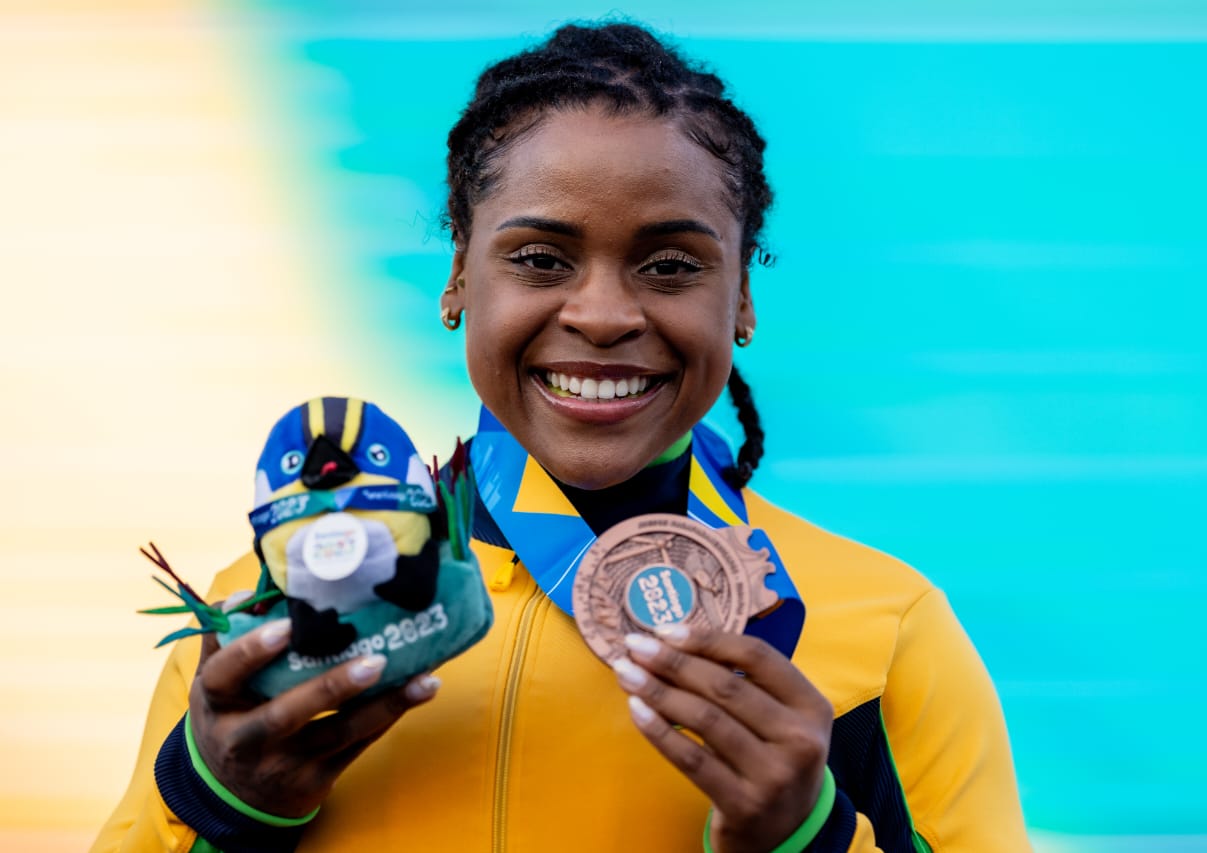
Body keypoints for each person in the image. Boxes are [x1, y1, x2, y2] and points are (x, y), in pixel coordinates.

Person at [93, 22, 1032, 853]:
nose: (604, 313)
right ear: (460, 274)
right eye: (540, 258)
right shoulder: (277, 623)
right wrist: (220, 806)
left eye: (671, 265)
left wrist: (810, 839)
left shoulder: (885, 632)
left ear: (740, 296)